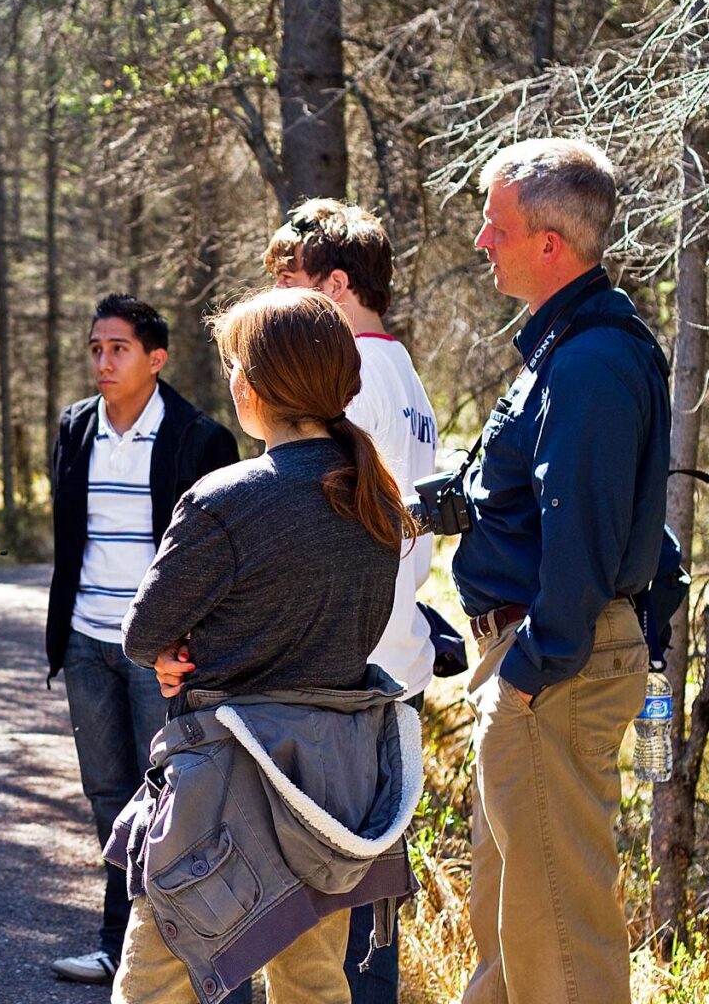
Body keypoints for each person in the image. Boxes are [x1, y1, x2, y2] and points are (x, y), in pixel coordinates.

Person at [108, 287, 419, 1004]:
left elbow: (142, 634)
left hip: (220, 790)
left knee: (157, 984)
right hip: (330, 790)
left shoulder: (225, 500)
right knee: (313, 984)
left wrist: (172, 651)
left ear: (251, 389)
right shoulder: (373, 497)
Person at [455, 138, 669, 1004]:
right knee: (513, 928)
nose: (481, 241)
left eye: (496, 226)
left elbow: (578, 531)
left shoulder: (592, 362)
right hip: (538, 660)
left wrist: (534, 669)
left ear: (550, 244)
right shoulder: (566, 349)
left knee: (560, 951)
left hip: (554, 665)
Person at [266, 198, 438, 1002]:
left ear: (335, 286)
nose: (278, 298)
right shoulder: (403, 374)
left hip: (345, 674)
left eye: (291, 279)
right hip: (392, 659)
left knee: (328, 912)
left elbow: (324, 537)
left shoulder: (356, 378)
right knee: (369, 907)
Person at [45, 294, 239, 985]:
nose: (103, 360)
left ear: (156, 359)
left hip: (159, 653)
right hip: (86, 643)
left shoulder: (198, 438)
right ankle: (118, 943)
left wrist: (184, 640)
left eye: (119, 348)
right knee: (107, 795)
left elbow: (216, 556)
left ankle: (184, 956)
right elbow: (72, 541)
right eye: (96, 348)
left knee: (169, 799)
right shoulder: (74, 427)